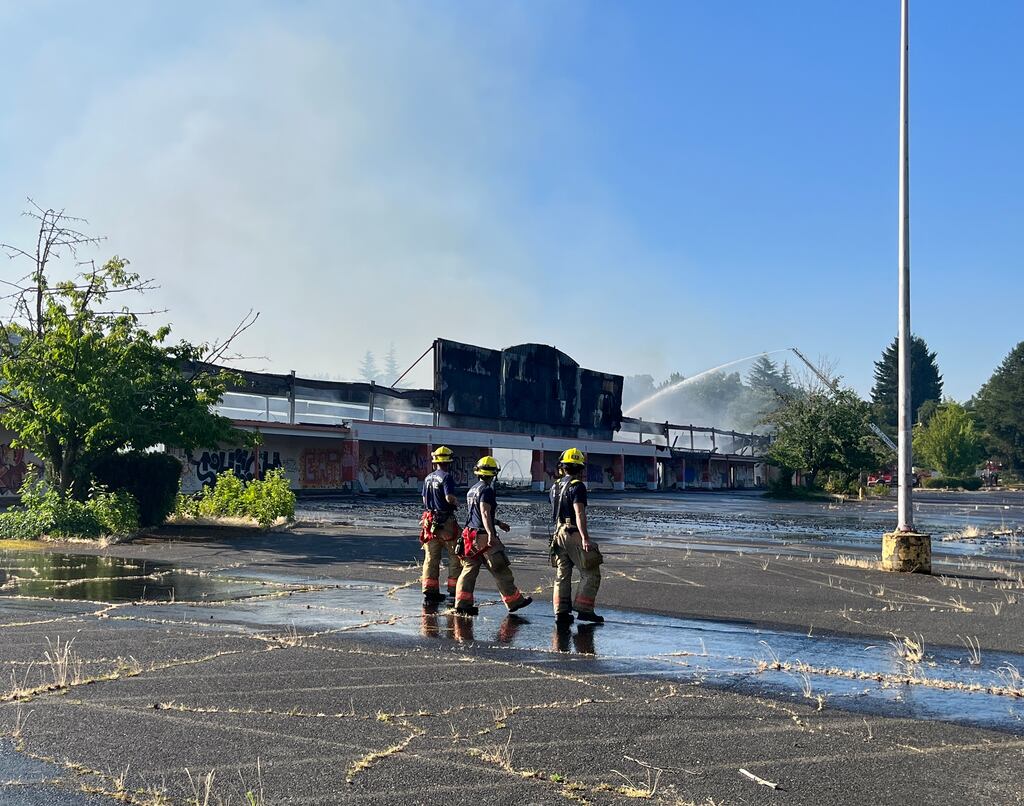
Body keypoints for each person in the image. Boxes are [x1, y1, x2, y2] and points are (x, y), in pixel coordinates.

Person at [453, 456, 533, 616]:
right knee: (500, 568)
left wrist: (498, 522)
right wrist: (491, 533)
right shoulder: (487, 490)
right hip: (483, 536)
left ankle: (462, 604)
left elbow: (475, 514)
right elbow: (484, 511)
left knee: (468, 570)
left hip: (470, 535)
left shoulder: (472, 489)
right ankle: (514, 601)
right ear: (493, 473)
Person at [549, 448, 603, 626]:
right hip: (572, 532)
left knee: (562, 573)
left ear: (562, 467)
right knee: (590, 570)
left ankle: (561, 612)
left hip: (558, 533)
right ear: (580, 468)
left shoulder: (555, 486)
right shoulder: (577, 486)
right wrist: (585, 538)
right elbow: (579, 513)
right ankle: (584, 609)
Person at [420, 446, 462, 604]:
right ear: (449, 461)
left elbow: (424, 501)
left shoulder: (428, 478)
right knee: (454, 555)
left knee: (431, 558)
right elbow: (449, 497)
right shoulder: (447, 477)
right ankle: (453, 590)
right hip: (446, 522)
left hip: (429, 522)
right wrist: (456, 503)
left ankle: (430, 592)